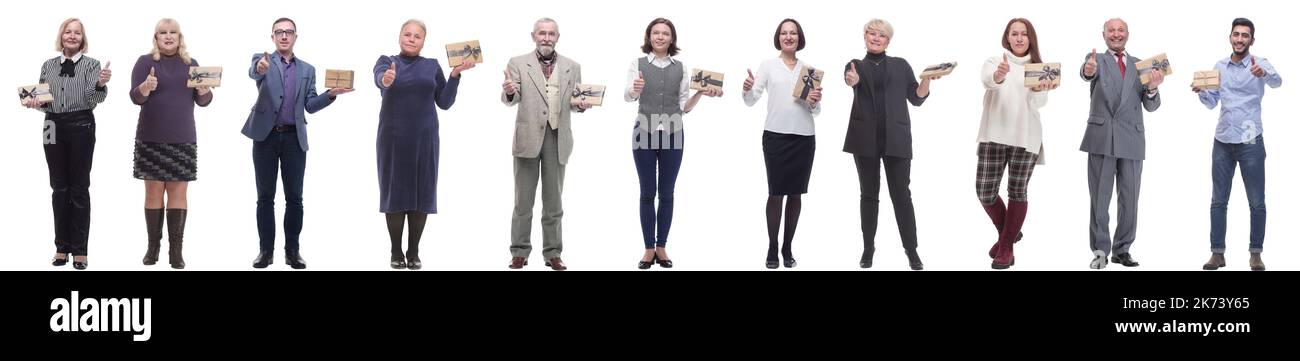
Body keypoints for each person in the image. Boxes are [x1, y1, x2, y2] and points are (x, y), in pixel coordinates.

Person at [242, 17, 353, 269]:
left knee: (295, 198)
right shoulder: (263, 60)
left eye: (288, 32)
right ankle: (265, 251)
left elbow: (310, 106)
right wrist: (259, 68)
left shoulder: (308, 70)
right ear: (272, 37)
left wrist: (330, 95)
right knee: (265, 197)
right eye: (278, 32)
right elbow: (253, 72)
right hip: (265, 137)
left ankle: (292, 251)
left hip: (294, 139)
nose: (283, 36)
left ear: (295, 36)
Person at [373, 19, 474, 270]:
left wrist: (455, 75)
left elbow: (445, 102)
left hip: (425, 138)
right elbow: (380, 80)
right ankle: (396, 251)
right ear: (399, 37)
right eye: (407, 34)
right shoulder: (386, 61)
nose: (411, 39)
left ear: (423, 41)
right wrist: (386, 79)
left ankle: (414, 251)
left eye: (417, 36)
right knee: (394, 191)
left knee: (422, 191)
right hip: (393, 138)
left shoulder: (432, 65)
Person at [623, 18, 722, 269]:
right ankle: (648, 249)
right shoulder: (638, 63)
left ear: (671, 38)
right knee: (647, 192)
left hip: (673, 133)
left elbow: (683, 107)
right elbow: (627, 96)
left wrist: (700, 93)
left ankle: (661, 247)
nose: (659, 37)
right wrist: (635, 89)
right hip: (643, 132)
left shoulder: (681, 67)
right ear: (649, 36)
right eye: (655, 33)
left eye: (665, 33)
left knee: (667, 193)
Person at [841, 18, 939, 270]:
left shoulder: (901, 65)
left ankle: (912, 250)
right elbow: (851, 80)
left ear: (888, 40)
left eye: (881, 35)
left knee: (901, 196)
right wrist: (852, 80)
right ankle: (867, 248)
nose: (875, 38)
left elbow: (916, 98)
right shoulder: (855, 65)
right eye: (871, 33)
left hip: (896, 139)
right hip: (865, 140)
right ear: (864, 37)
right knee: (868, 195)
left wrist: (926, 80)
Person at [21, 18, 111, 270]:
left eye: (77, 33)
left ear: (83, 38)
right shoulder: (48, 65)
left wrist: (100, 83)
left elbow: (93, 100)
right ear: (61, 36)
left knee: (79, 188)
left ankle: (80, 251)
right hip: (50, 126)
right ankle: (61, 247)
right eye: (68, 32)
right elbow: (45, 101)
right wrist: (35, 103)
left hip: (81, 125)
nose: (72, 36)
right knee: (58, 187)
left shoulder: (92, 65)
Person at [501, 18, 590, 271]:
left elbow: (576, 100)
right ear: (533, 36)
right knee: (523, 201)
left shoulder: (573, 66)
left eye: (551, 34)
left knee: (554, 202)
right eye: (542, 33)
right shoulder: (517, 63)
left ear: (558, 38)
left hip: (558, 138)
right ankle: (519, 252)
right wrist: (508, 90)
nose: (547, 38)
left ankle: (553, 253)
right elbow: (511, 97)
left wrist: (581, 105)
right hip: (528, 138)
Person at [1193, 18, 1281, 271]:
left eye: (1245, 35)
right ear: (1230, 37)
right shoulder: (1219, 66)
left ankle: (1255, 253)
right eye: (1236, 34)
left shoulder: (1259, 63)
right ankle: (1217, 254)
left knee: (1256, 201)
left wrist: (1264, 73)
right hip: (1222, 140)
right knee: (1218, 201)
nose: (1239, 39)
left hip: (1250, 139)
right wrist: (1201, 91)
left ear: (1252, 40)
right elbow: (1211, 103)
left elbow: (1277, 82)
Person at [1078, 18, 1163, 269]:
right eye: (1111, 30)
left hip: (1132, 137)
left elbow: (1152, 106)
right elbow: (1086, 72)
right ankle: (1100, 250)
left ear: (1128, 34)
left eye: (1120, 30)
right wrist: (1088, 70)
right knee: (1100, 198)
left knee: (1130, 197)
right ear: (1103, 34)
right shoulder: (1096, 60)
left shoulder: (1141, 65)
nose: (1116, 34)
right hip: (1102, 137)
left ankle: (1122, 249)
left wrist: (1152, 89)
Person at [130, 18, 214, 270]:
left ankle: (175, 252)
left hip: (182, 137)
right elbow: (135, 97)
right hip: (151, 136)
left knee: (179, 193)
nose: (168, 36)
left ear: (180, 37)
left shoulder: (192, 65)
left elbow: (205, 101)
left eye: (173, 32)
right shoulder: (145, 62)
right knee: (153, 192)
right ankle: (152, 247)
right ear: (156, 37)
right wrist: (145, 86)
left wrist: (203, 91)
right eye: (162, 33)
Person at [974, 18, 1056, 270]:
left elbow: (1037, 105)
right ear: (1007, 38)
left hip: (1026, 136)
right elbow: (989, 80)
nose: (1019, 38)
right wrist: (999, 75)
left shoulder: (1040, 68)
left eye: (1024, 34)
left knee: (1017, 191)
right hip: (993, 135)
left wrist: (1042, 90)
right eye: (1014, 34)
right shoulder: (994, 62)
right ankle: (1009, 233)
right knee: (985, 192)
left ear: (1030, 38)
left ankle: (1006, 246)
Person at [742, 18, 822, 269]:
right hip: (775, 136)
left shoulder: (809, 70)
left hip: (804, 137)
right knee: (776, 193)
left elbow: (815, 110)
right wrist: (746, 88)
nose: (789, 37)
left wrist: (815, 99)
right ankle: (772, 246)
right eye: (784, 33)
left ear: (800, 38)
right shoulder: (768, 66)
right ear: (778, 37)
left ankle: (788, 247)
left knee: (796, 193)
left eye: (793, 33)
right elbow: (751, 100)